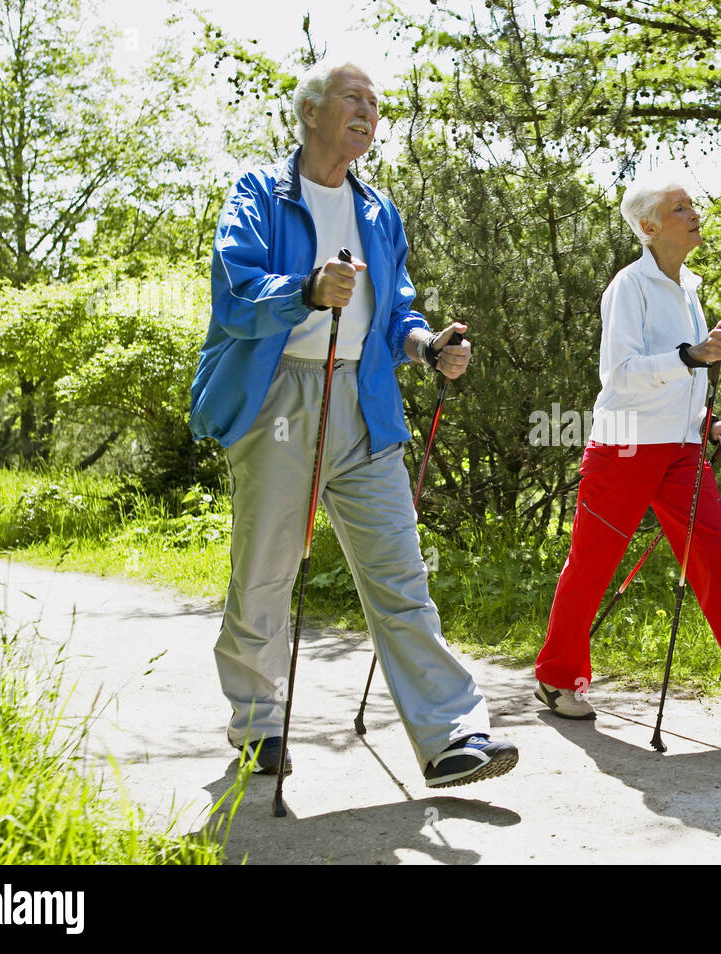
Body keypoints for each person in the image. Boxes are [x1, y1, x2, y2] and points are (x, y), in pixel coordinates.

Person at [189, 61, 517, 787]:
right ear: (311, 113)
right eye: (353, 98)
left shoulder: (378, 212)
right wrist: (304, 291)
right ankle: (258, 723)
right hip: (278, 398)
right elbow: (234, 290)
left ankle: (451, 736)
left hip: (364, 403)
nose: (369, 110)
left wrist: (428, 346)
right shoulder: (260, 193)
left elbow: (395, 309)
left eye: (375, 102)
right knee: (267, 571)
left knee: (401, 573)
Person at [533, 170, 721, 741]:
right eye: (679, 208)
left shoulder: (688, 285)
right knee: (592, 566)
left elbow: (680, 377)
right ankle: (556, 675)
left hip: (682, 450)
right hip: (624, 446)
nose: (694, 214)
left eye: (693, 205)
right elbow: (620, 374)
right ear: (647, 226)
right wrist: (689, 355)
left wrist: (708, 425)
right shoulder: (629, 287)